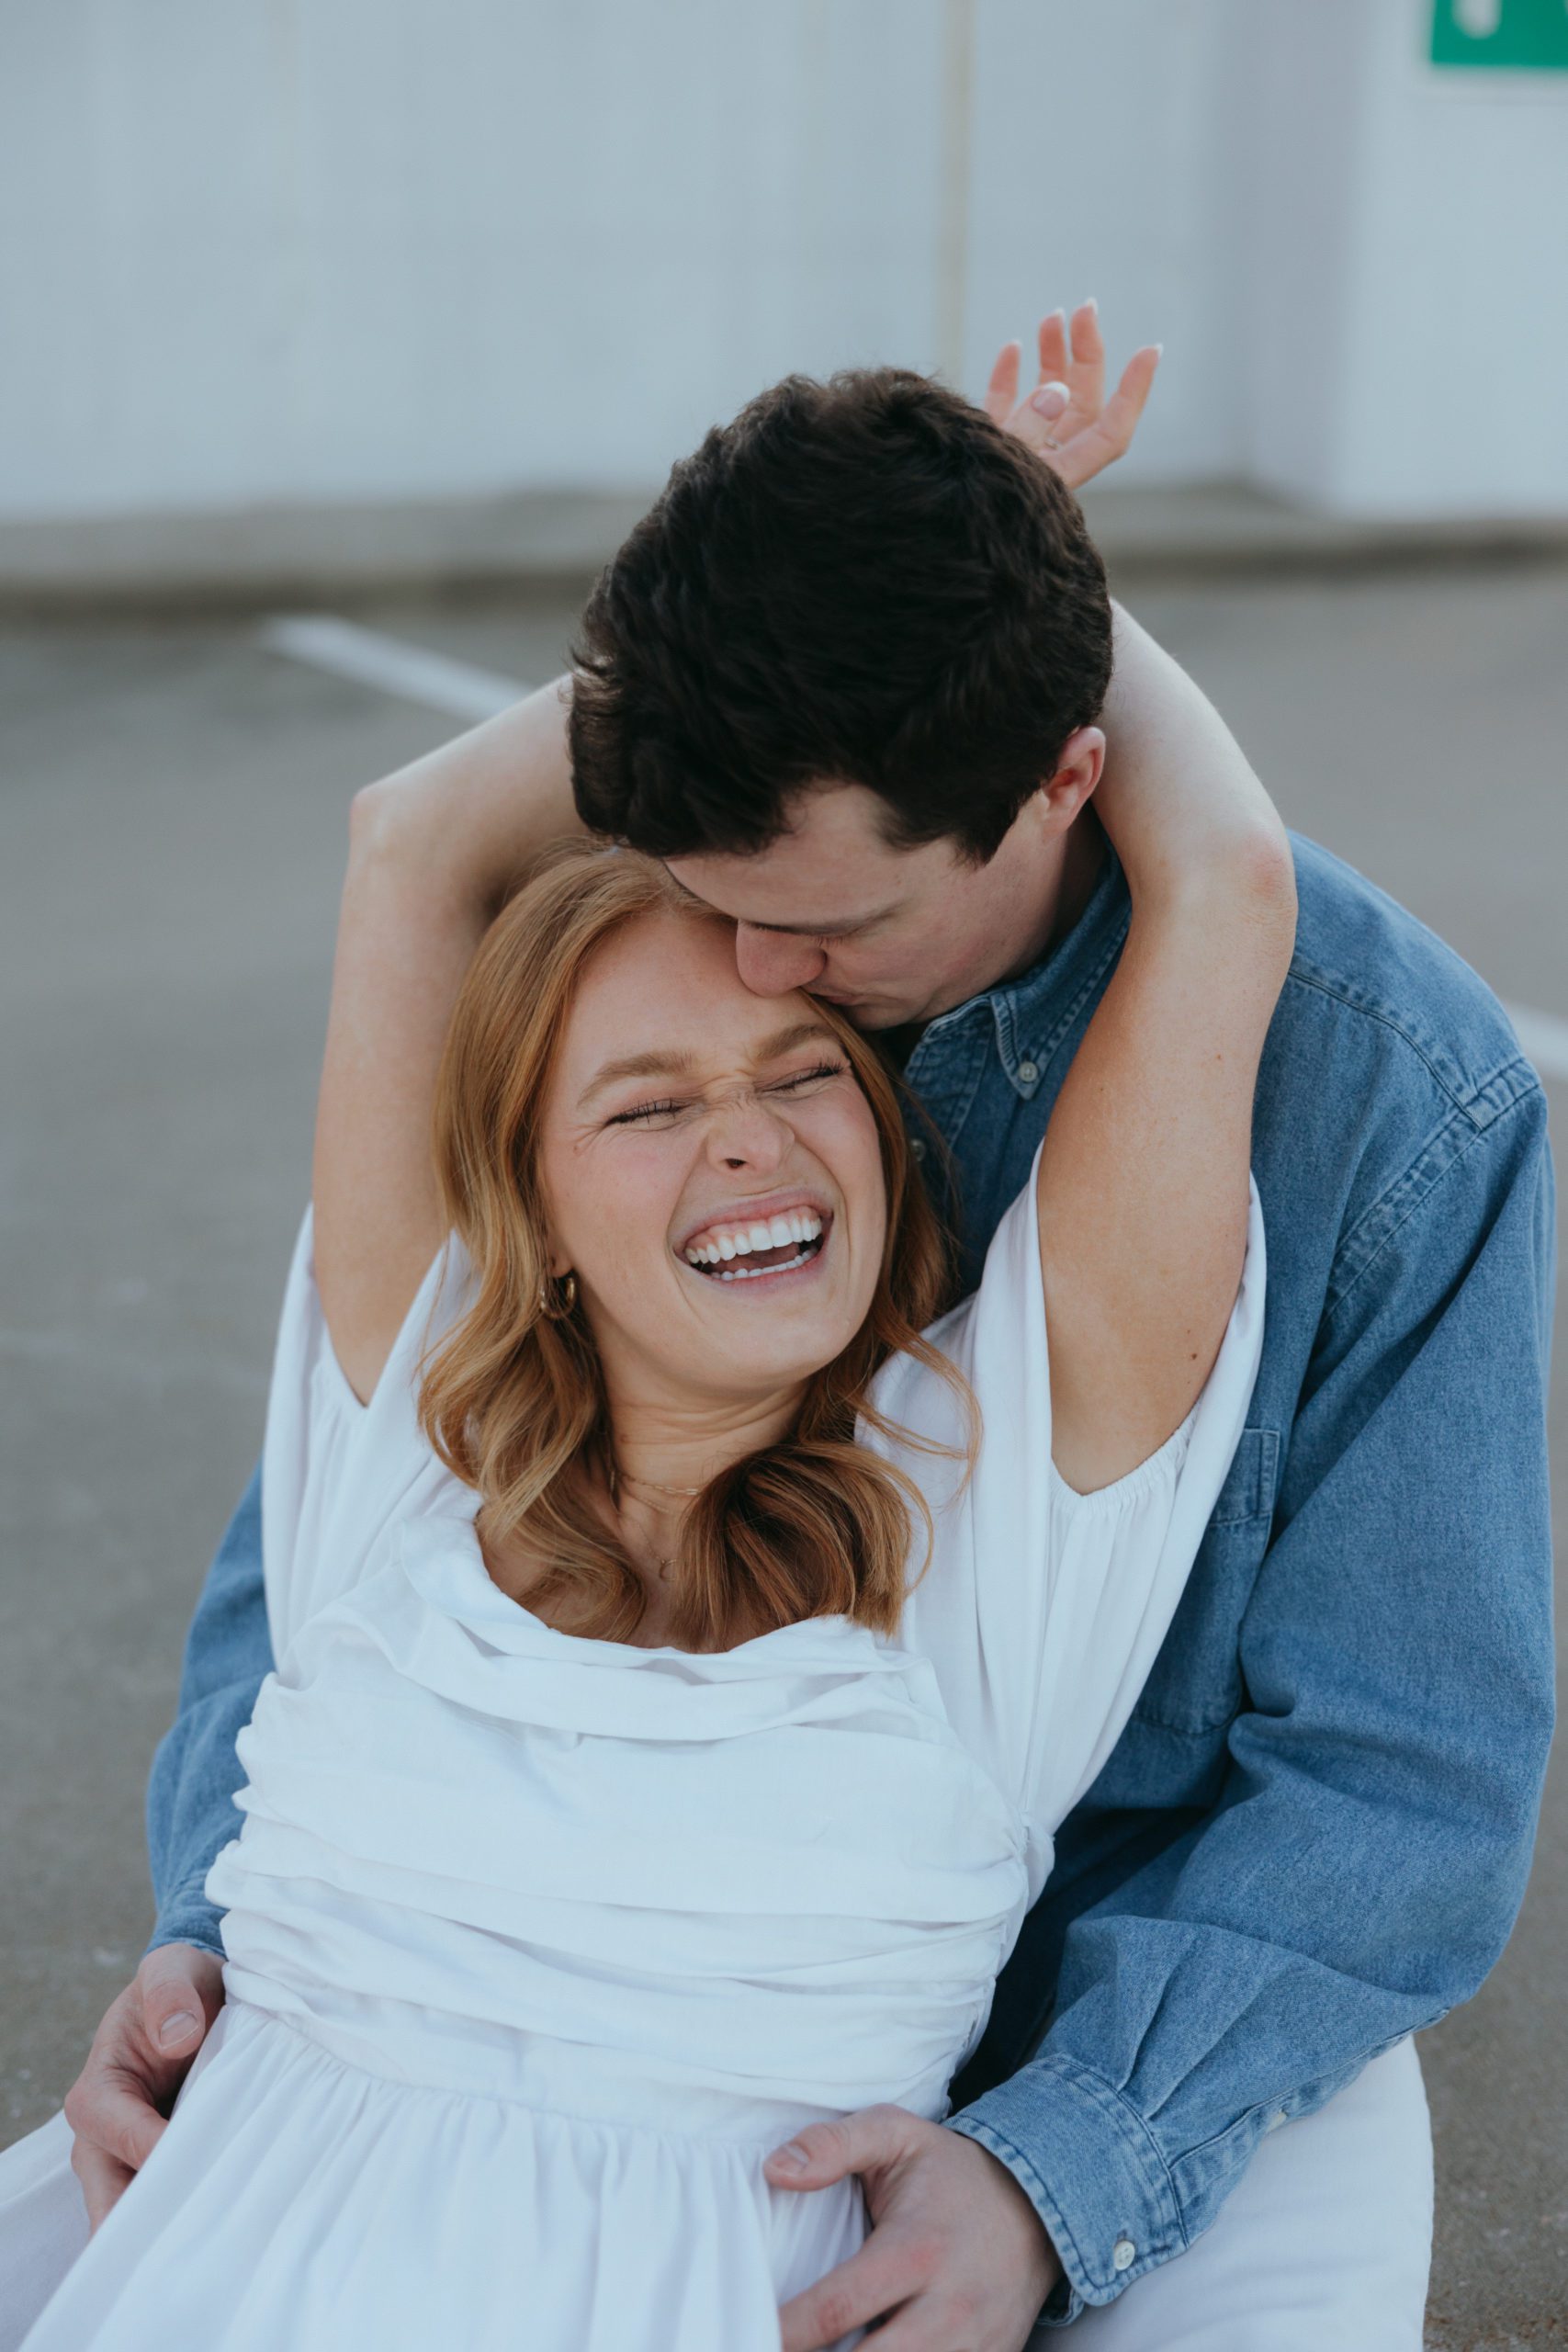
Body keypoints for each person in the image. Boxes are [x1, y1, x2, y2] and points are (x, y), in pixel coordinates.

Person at [41, 312, 1557, 2347]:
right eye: (652, 1090)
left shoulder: (1371, 1106)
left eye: (821, 967)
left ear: (1062, 782)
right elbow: (319, 1575)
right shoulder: (695, 890)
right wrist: (237, 1925)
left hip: (1102, 1978)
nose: (749, 977)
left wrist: (1070, 2159)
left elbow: (1399, 1772)